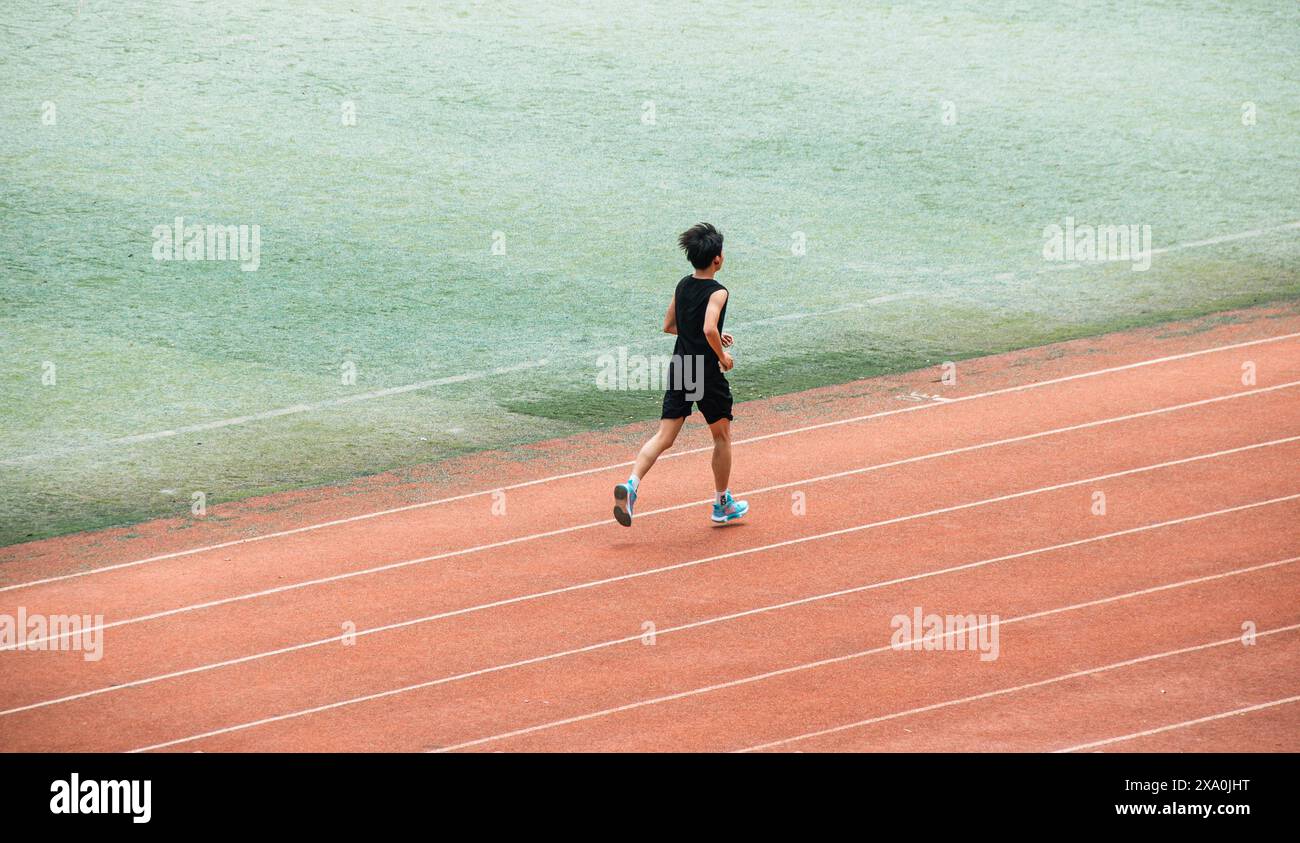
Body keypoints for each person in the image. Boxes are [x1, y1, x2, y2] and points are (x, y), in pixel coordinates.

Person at [613, 222, 749, 527]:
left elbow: (670, 326)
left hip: (682, 368)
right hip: (706, 372)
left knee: (664, 436)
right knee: (722, 435)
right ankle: (722, 502)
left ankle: (632, 484)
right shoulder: (718, 292)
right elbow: (708, 328)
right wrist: (722, 355)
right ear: (717, 259)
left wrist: (714, 337)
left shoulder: (682, 285)